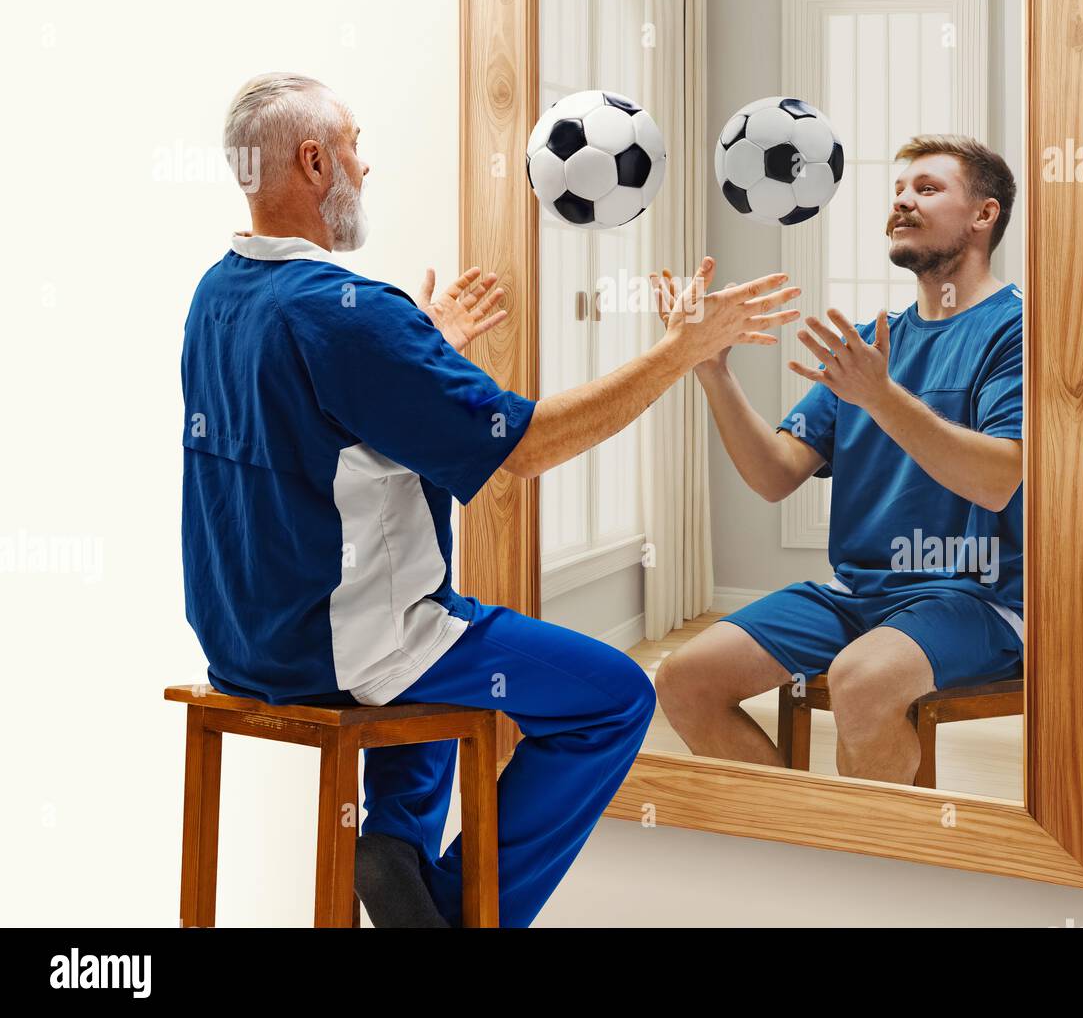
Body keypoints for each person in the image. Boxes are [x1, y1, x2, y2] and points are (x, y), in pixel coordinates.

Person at [180, 72, 802, 927]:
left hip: (244, 643)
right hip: (340, 651)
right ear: (315, 161)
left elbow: (331, 428)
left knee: (454, 630)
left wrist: (425, 351)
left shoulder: (217, 295)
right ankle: (463, 908)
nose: (368, 167)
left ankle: (395, 840)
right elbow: (528, 447)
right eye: (356, 146)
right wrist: (681, 350)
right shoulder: (348, 315)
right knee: (613, 694)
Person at [652, 135, 1024, 786]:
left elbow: (999, 481)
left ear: (983, 215)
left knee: (861, 680)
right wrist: (709, 369)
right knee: (683, 679)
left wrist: (881, 398)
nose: (902, 201)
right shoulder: (869, 346)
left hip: (975, 595)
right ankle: (806, 843)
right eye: (899, 191)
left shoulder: (1014, 328)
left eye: (927, 188)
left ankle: (881, 870)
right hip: (856, 594)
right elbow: (773, 474)